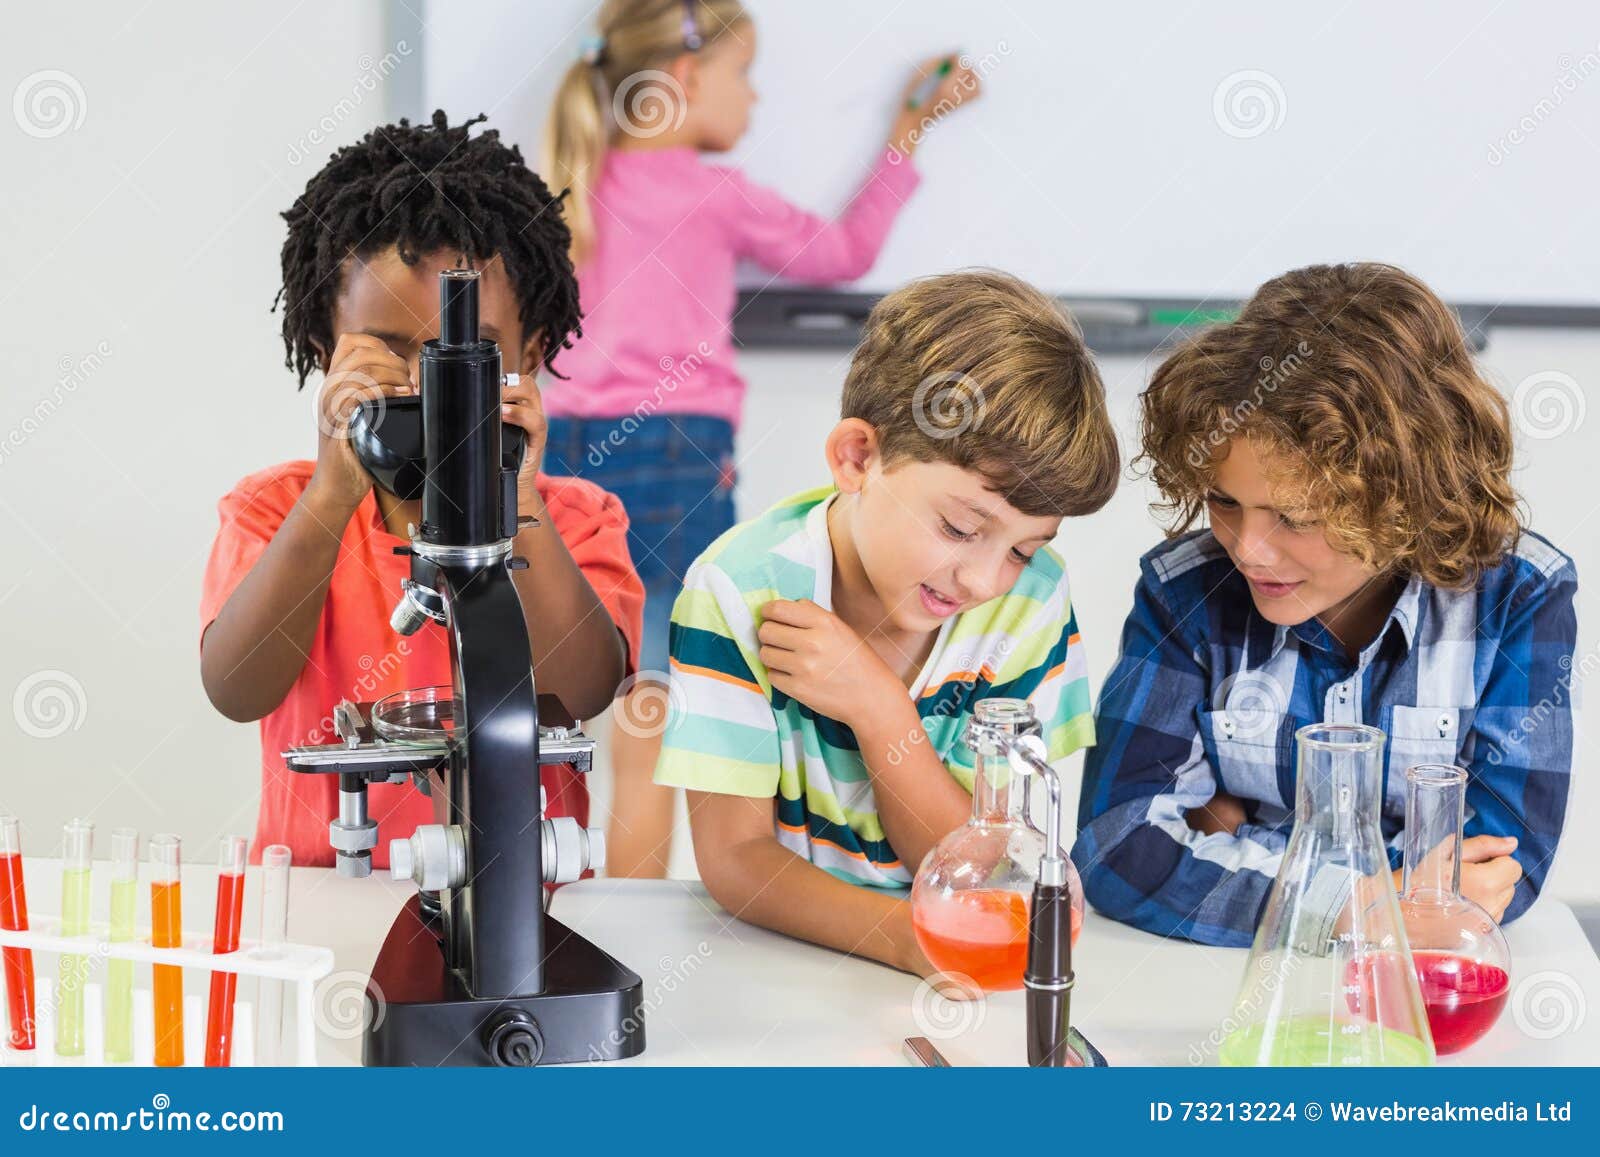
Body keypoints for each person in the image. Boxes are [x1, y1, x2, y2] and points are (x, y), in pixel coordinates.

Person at [541, 0, 980, 876]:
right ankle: (633, 913)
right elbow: (844, 252)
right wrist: (908, 132)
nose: (756, 102)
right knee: (655, 699)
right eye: (745, 76)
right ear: (685, 80)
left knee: (583, 691)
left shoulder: (569, 183)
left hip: (561, 458)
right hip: (678, 451)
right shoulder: (709, 191)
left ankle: (577, 894)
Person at [1075, 262, 1578, 946]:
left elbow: (1495, 874)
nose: (1248, 549)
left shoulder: (1521, 599)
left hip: (1422, 992)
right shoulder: (1185, 591)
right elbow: (1116, 849)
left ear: (1408, 497)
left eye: (1296, 517)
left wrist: (1231, 835)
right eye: (1224, 501)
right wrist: (1361, 904)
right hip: (1222, 985)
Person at [200, 113, 644, 869]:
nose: (424, 386)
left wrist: (518, 500)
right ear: (324, 351)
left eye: (461, 354)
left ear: (530, 355)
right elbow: (237, 688)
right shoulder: (274, 511)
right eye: (387, 353)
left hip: (523, 895)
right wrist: (334, 488)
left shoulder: (573, 518)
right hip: (324, 893)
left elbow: (583, 691)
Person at [655, 271, 1119, 978]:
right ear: (858, 458)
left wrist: (881, 712)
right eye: (961, 527)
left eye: (1024, 549)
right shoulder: (737, 588)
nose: (984, 580)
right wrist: (911, 940)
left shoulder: (1034, 603)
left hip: (972, 970)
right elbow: (735, 859)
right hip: (794, 966)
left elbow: (987, 861)